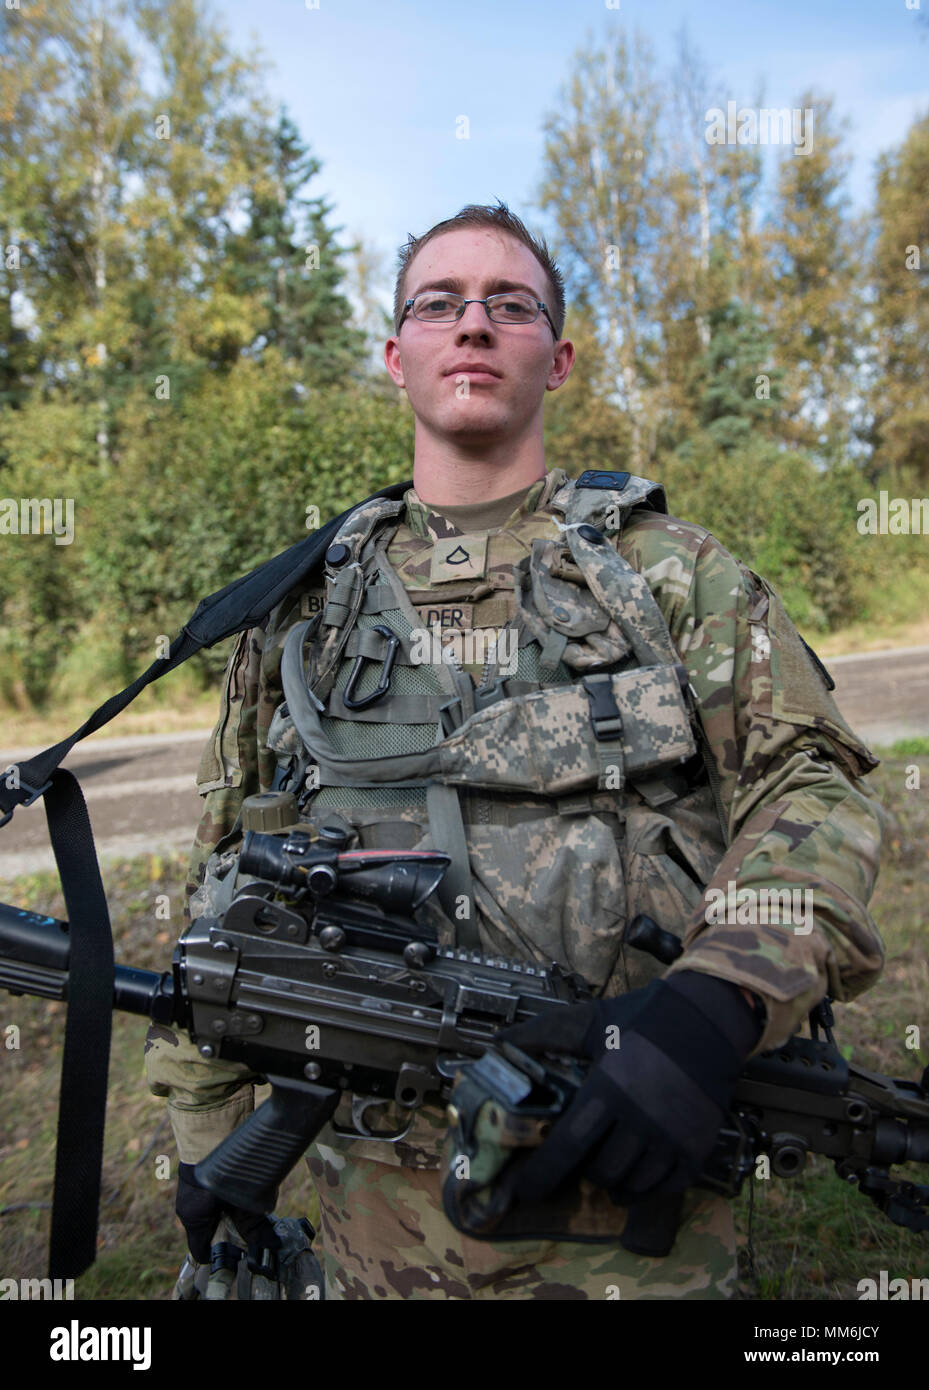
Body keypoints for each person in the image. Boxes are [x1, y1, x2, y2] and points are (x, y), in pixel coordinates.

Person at [145, 200, 885, 1300]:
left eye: (510, 304)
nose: (474, 325)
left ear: (561, 356)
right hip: (377, 1225)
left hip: (638, 1211)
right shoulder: (300, 613)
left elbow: (812, 788)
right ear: (397, 357)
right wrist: (207, 1136)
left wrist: (713, 1001)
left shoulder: (668, 574)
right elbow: (229, 881)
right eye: (439, 304)